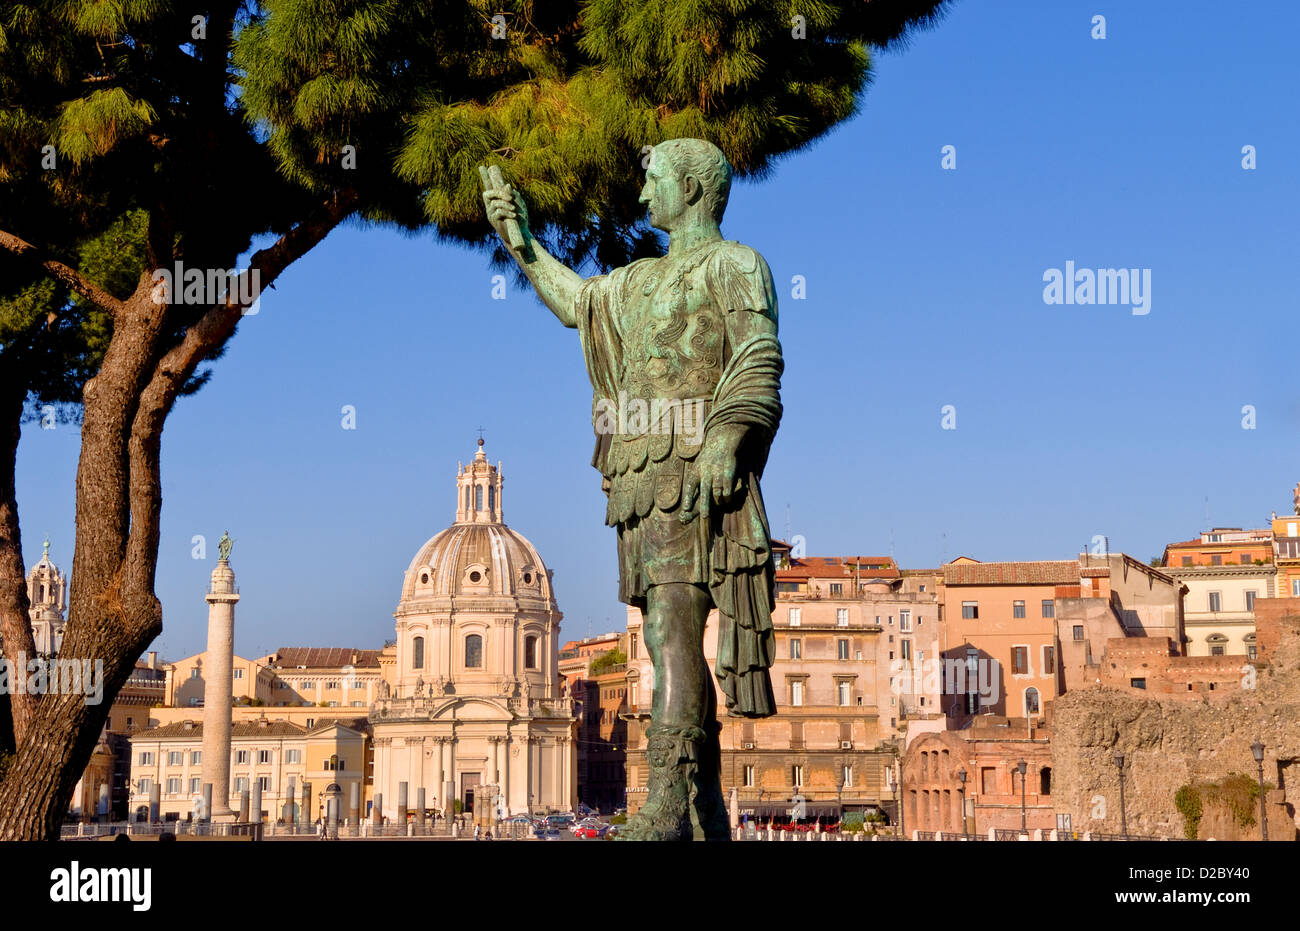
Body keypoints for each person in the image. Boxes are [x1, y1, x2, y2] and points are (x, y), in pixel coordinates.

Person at [483, 138, 782, 841]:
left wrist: (727, 438)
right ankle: (704, 806)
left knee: (672, 631)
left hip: (695, 467)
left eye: (653, 182)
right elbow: (576, 304)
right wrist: (522, 244)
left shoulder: (738, 265)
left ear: (695, 189)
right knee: (662, 630)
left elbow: (759, 351)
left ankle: (671, 798)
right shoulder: (637, 279)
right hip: (642, 473)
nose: (642, 197)